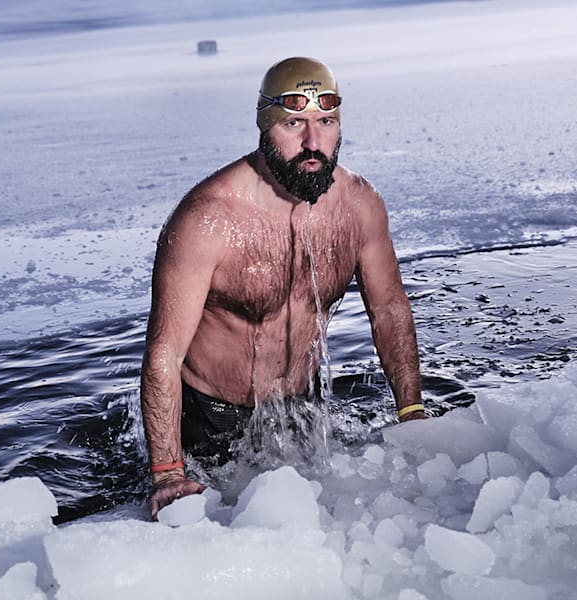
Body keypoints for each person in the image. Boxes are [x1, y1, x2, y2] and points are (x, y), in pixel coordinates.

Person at [141, 57, 426, 519]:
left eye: (326, 122)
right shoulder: (206, 219)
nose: (313, 142)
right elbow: (164, 352)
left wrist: (411, 410)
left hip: (301, 409)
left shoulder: (359, 205)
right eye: (294, 123)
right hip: (210, 423)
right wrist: (169, 471)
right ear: (264, 125)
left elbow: (389, 310)